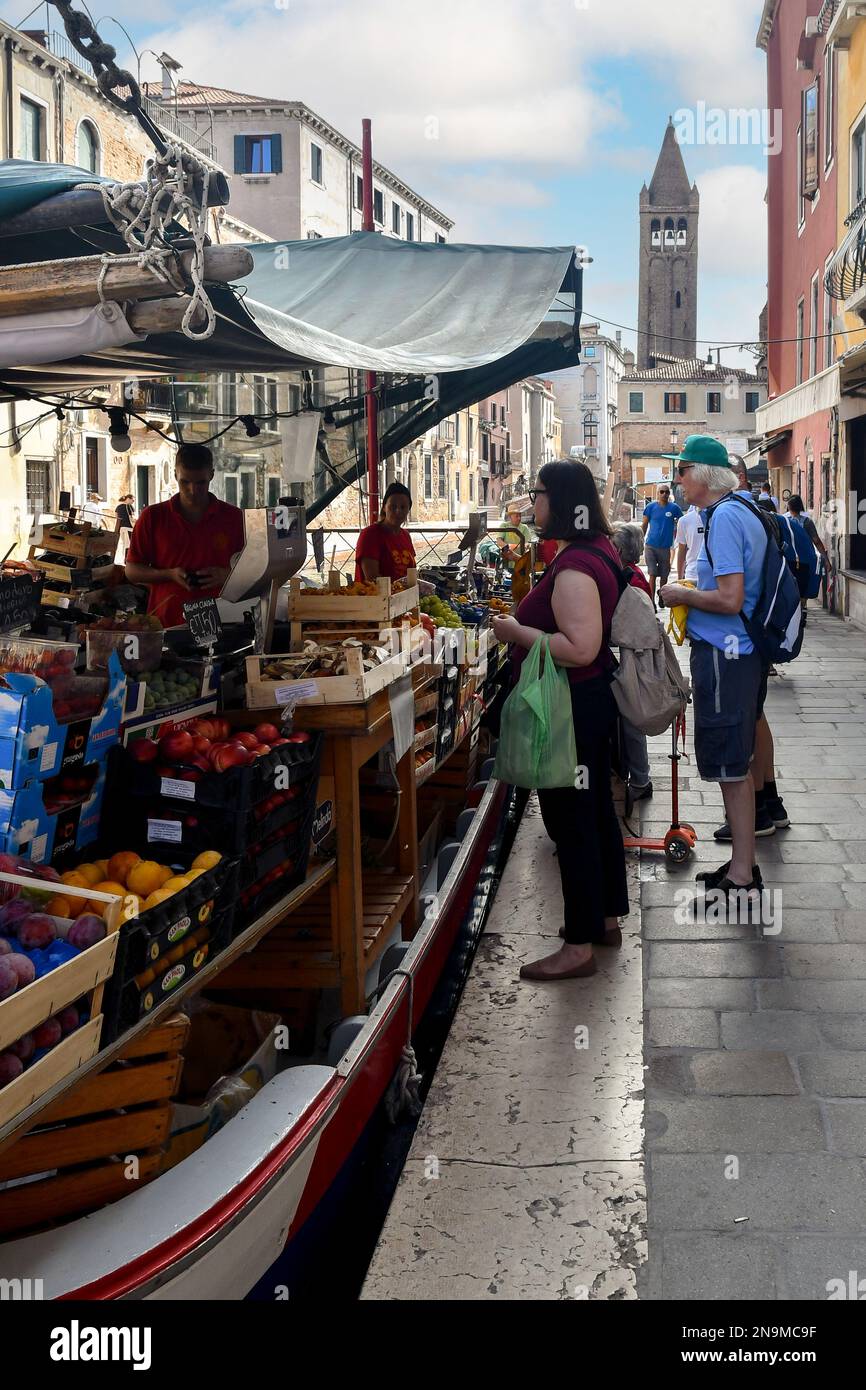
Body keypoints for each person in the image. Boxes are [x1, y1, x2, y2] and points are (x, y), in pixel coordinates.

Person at [491, 460, 629, 981]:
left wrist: (515, 632)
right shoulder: (595, 550)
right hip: (587, 704)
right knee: (594, 814)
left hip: (569, 706)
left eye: (538, 493)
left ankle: (577, 947)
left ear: (563, 500)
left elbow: (581, 647)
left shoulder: (574, 568)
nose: (532, 502)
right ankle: (604, 919)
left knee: (571, 821)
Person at [660, 436, 769, 907]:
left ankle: (743, 873)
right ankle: (743, 863)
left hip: (727, 655)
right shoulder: (740, 510)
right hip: (739, 653)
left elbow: (729, 599)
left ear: (702, 475)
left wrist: (681, 595)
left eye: (682, 471)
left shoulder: (723, 519)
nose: (677, 480)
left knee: (729, 764)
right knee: (735, 764)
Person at [125, 443, 245, 627]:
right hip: (167, 623)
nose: (192, 490)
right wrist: (169, 574)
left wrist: (228, 575)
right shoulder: (153, 517)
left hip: (224, 623)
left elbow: (257, 572)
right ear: (175, 475)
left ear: (211, 475)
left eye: (200, 483)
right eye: (185, 482)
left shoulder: (235, 518)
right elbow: (131, 571)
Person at [611, 523, 653, 803]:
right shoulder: (633, 576)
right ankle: (633, 774)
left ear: (620, 551)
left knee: (631, 722)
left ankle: (640, 779)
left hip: (633, 659)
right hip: (630, 656)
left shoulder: (631, 580)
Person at [355, 482, 416, 583]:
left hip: (402, 595)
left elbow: (411, 573)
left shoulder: (405, 535)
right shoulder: (370, 535)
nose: (398, 511)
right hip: (375, 597)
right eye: (393, 507)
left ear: (408, 510)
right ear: (384, 507)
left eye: (403, 507)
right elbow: (373, 578)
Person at [642, 484, 682, 608]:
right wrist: (638, 540)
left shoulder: (674, 508)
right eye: (662, 492)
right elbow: (644, 525)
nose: (664, 494)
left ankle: (661, 598)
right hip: (651, 546)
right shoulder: (650, 507)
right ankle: (651, 601)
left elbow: (683, 523)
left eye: (666, 492)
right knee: (652, 574)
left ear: (669, 494)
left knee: (664, 575)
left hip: (665, 547)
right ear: (658, 493)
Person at [674, 504, 704, 582]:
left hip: (716, 576)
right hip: (692, 574)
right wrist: (680, 579)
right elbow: (681, 551)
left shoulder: (720, 516)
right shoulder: (684, 521)